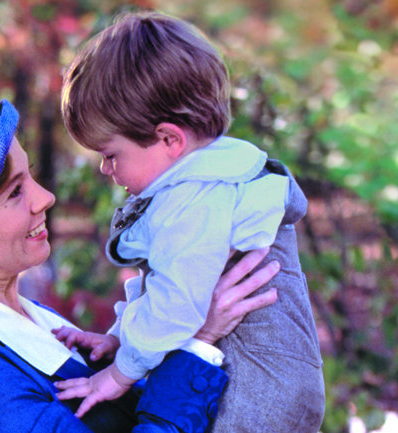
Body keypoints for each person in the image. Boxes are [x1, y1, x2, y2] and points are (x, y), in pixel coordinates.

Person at [0, 98, 279, 433]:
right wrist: (198, 341)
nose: (46, 198)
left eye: (30, 175)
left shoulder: (25, 320)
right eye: (16, 193)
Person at [57, 11, 325, 433]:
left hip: (258, 390)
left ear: (168, 140)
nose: (106, 170)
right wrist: (120, 339)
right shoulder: (210, 177)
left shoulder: (195, 200)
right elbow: (163, 283)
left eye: (110, 154)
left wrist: (118, 373)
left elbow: (176, 306)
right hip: (274, 382)